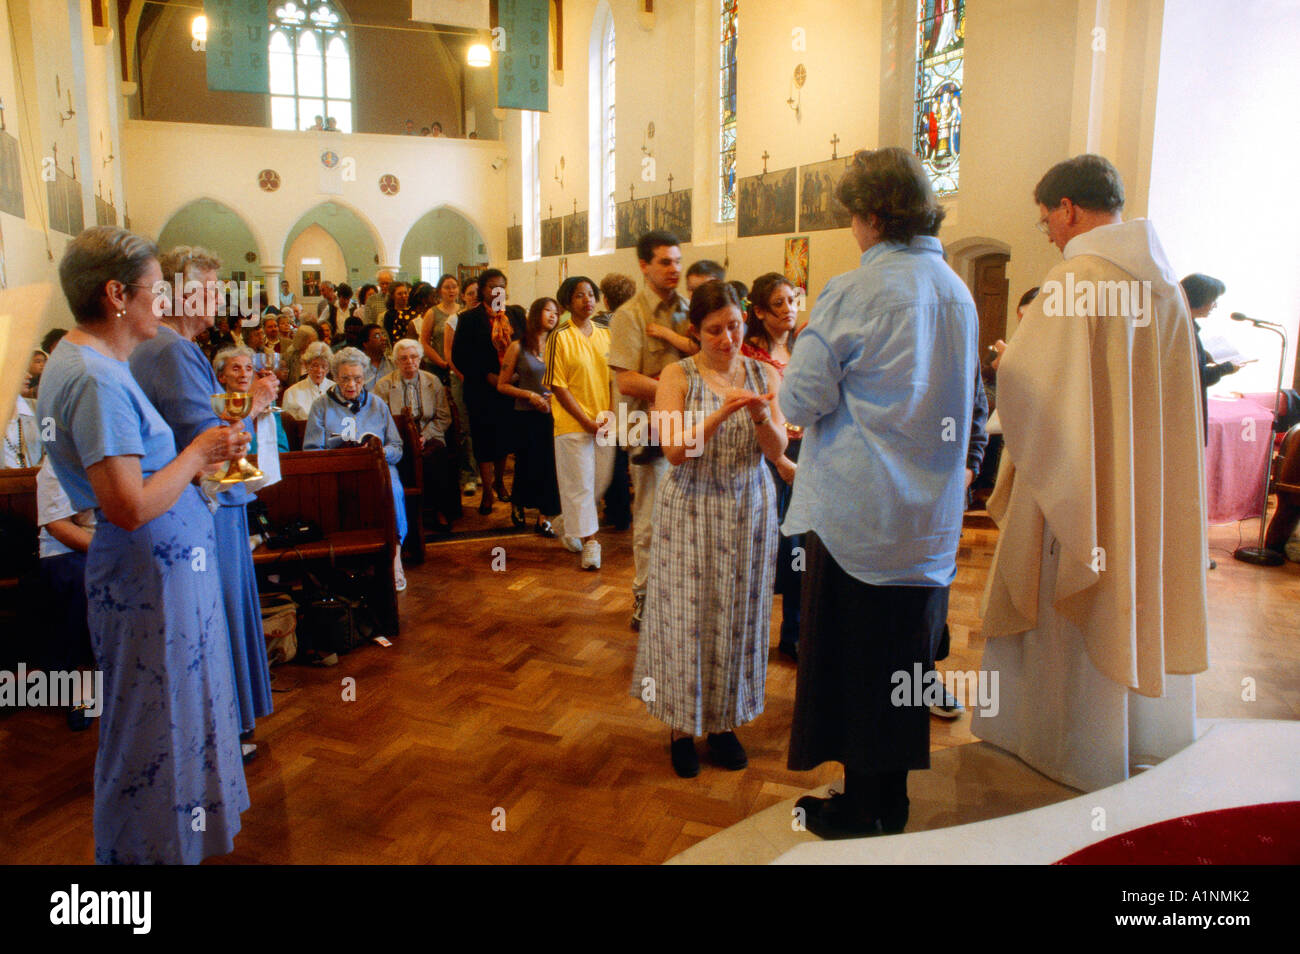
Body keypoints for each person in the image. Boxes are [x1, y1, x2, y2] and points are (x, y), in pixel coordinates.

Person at [973, 154, 1209, 793]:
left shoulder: (1075, 279)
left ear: (1068, 208)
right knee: (1131, 588)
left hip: (1077, 490)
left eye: (1046, 218)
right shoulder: (1165, 284)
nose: (1049, 232)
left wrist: (1012, 360)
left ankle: (1065, 747)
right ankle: (1139, 735)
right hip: (1139, 490)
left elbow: (1028, 386)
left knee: (1067, 604)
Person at [38, 225, 251, 863]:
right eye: (157, 290)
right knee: (152, 728)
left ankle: (177, 844)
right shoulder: (95, 378)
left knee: (173, 718)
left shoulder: (92, 362)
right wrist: (198, 453)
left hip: (163, 572)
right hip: (148, 577)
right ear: (116, 295)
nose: (166, 301)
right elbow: (127, 507)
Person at [781, 148, 977, 839]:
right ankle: (888, 801)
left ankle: (862, 811)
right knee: (902, 665)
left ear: (870, 215)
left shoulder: (854, 291)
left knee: (855, 667)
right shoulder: (956, 290)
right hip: (928, 520)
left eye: (852, 215)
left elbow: (799, 400)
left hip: (860, 516)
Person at [631, 280, 787, 777]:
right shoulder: (677, 375)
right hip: (692, 510)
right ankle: (681, 726)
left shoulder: (762, 372)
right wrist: (720, 413)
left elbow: (777, 450)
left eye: (734, 326)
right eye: (715, 330)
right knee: (687, 619)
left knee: (739, 616)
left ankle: (724, 723)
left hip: (748, 510)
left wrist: (760, 414)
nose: (727, 338)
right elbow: (676, 451)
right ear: (696, 331)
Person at [130, 245, 279, 761]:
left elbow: (203, 420)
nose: (219, 298)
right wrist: (256, 405)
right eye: (210, 288)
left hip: (200, 502)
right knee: (218, 617)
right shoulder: (171, 350)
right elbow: (210, 443)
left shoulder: (172, 347)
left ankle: (224, 729)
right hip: (200, 508)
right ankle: (222, 733)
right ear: (178, 293)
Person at [607, 230, 690, 629]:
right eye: (665, 262)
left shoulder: (688, 310)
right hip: (647, 427)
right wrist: (674, 391)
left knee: (686, 517)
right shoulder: (630, 315)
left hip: (685, 426)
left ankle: (677, 593)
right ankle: (644, 594)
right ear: (644, 265)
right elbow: (626, 381)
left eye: (678, 261)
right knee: (652, 517)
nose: (674, 269)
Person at [304, 347, 409, 590]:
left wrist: (381, 452)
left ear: (366, 378)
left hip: (376, 468)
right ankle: (341, 563)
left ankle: (395, 557)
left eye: (358, 378)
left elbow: (397, 447)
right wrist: (340, 456)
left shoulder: (378, 404)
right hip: (338, 470)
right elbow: (311, 450)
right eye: (345, 378)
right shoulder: (321, 406)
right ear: (334, 376)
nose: (351, 385)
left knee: (393, 489)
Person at [741, 272, 803, 660]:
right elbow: (750, 415)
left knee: (801, 547)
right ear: (760, 311)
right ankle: (752, 633)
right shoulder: (749, 354)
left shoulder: (801, 348)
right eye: (778, 303)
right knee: (767, 546)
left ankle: (794, 633)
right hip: (767, 456)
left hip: (804, 450)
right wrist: (779, 460)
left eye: (792, 300)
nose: (788, 309)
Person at [543, 277, 614, 567]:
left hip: (603, 422)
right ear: (567, 302)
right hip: (572, 424)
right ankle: (591, 545)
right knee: (582, 485)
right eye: (579, 296)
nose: (587, 300)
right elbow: (557, 385)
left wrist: (610, 415)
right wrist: (585, 421)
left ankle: (567, 522)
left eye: (591, 294)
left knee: (598, 484)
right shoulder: (559, 336)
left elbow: (614, 378)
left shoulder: (605, 334)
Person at [451, 268, 525, 514]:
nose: (497, 291)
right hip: (481, 388)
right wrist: (487, 375)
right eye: (492, 287)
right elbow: (460, 356)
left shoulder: (515, 315)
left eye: (501, 286)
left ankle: (499, 483)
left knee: (504, 438)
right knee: (483, 439)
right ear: (482, 290)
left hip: (510, 386)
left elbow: (527, 346)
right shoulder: (469, 318)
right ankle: (486, 494)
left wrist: (515, 374)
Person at [36, 457, 97, 731]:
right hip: (71, 545)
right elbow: (57, 525)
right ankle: (82, 685)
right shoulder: (58, 457)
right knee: (78, 579)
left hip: (124, 541)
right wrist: (109, 552)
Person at [375, 339, 458, 530]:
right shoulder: (384, 385)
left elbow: (444, 416)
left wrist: (425, 436)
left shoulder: (432, 381)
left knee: (436, 456)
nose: (409, 362)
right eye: (403, 358)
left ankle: (439, 511)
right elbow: (380, 421)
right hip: (398, 436)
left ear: (420, 359)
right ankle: (408, 516)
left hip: (430, 433)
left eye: (413, 357)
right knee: (401, 459)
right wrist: (402, 438)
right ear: (396, 361)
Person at [498, 298, 562, 536]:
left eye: (556, 312)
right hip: (526, 415)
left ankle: (545, 517)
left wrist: (557, 397)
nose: (553, 316)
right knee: (527, 464)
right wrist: (529, 395)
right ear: (536, 314)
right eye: (548, 310)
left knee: (551, 466)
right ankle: (518, 501)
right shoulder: (518, 347)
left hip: (554, 413)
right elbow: (502, 385)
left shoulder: (559, 345)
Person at [1180, 273, 1242, 444]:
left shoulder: (1184, 324)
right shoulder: (1184, 330)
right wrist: (1226, 368)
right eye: (1213, 300)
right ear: (1200, 298)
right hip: (1184, 412)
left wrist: (1203, 358)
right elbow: (1197, 379)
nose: (1215, 305)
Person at [215, 346, 288, 456]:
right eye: (236, 369)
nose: (243, 374)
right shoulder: (217, 406)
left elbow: (282, 448)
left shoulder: (267, 403)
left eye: (248, 369)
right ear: (222, 377)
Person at [420, 273, 461, 381]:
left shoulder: (463, 310)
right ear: (439, 291)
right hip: (438, 366)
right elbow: (424, 342)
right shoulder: (432, 312)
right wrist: (441, 362)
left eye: (454, 287)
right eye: (447, 287)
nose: (451, 291)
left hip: (459, 365)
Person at [283, 341, 334, 421]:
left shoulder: (336, 390)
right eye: (315, 365)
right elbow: (287, 425)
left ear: (328, 369)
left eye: (324, 366)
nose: (319, 370)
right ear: (306, 365)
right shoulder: (292, 393)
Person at [362, 324, 395, 392]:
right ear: (365, 343)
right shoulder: (358, 366)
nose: (384, 339)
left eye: (383, 335)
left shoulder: (393, 364)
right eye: (377, 336)